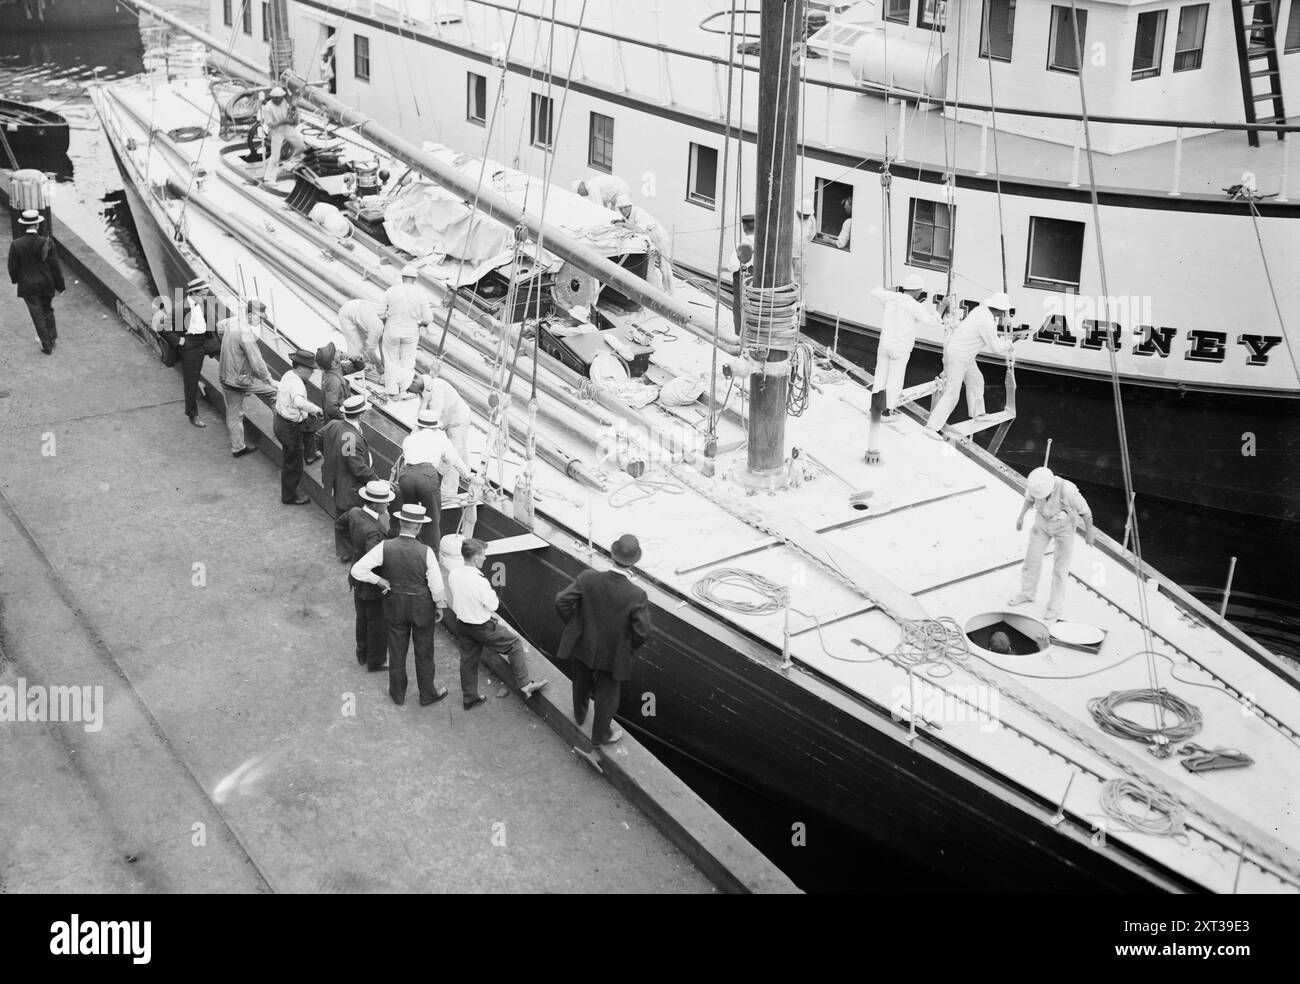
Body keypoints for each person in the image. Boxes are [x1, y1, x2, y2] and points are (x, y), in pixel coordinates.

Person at [554, 534, 653, 746]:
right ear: (634, 563)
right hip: (613, 655)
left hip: (583, 644)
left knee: (580, 682)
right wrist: (627, 648)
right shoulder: (636, 594)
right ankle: (600, 736)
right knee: (607, 696)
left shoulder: (588, 577)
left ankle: (579, 716)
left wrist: (575, 627)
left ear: (612, 554)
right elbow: (643, 631)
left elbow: (562, 601)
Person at [350, 503, 450, 707]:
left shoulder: (385, 546)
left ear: (402, 522)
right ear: (419, 527)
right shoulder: (426, 551)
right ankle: (427, 694)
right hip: (422, 606)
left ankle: (397, 693)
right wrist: (439, 605)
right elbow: (437, 585)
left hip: (395, 603)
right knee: (424, 651)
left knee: (396, 649)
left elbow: (357, 570)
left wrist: (379, 581)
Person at [447, 538, 549, 710]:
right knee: (515, 644)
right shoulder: (480, 581)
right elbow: (493, 605)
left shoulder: (454, 573)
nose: (485, 558)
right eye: (482, 555)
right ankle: (525, 684)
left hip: (463, 624)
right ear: (474, 557)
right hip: (482, 627)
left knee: (468, 662)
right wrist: (492, 593)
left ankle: (469, 697)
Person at [1008, 467, 1095, 623]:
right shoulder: (1036, 485)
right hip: (1042, 522)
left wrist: (1089, 534)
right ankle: (1027, 593)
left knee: (1060, 569)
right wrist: (1021, 516)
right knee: (1031, 560)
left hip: (1065, 528)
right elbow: (1029, 498)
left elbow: (1086, 513)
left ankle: (1055, 607)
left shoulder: (1068, 491)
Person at [924, 291, 1016, 439]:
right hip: (959, 356)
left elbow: (990, 338)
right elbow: (997, 349)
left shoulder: (980, 310)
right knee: (953, 393)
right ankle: (931, 427)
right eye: (1004, 311)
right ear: (999, 310)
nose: (1005, 313)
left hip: (962, 353)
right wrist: (1012, 342)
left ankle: (978, 413)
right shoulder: (987, 322)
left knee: (976, 380)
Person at [337, 480, 395, 672]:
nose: (388, 505)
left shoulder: (354, 513)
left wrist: (355, 550)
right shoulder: (374, 533)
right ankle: (376, 661)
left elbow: (340, 525)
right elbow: (379, 560)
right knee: (377, 623)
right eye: (385, 502)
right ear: (375, 504)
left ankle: (361, 653)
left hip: (357, 577)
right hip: (372, 584)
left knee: (361, 618)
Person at [397, 408, 473, 550]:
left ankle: (408, 549)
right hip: (427, 477)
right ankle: (431, 555)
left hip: (406, 476)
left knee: (410, 516)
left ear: (419, 425)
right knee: (432, 519)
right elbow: (454, 459)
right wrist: (467, 475)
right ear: (435, 427)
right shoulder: (440, 439)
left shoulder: (409, 439)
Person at [869, 274, 942, 419]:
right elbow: (931, 322)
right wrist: (942, 308)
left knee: (880, 377)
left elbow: (874, 292)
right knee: (894, 381)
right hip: (899, 349)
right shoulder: (914, 305)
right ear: (915, 291)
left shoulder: (891, 297)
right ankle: (886, 412)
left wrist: (888, 289)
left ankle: (874, 410)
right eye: (920, 290)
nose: (920, 293)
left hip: (884, 345)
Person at [320, 394, 378, 559]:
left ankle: (344, 551)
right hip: (351, 486)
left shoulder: (333, 425)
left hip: (337, 480)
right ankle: (351, 551)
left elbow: (318, 437)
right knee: (351, 517)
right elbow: (357, 467)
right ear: (361, 415)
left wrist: (329, 457)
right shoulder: (351, 437)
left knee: (341, 515)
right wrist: (376, 481)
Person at [218, 299, 278, 457]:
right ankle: (280, 431)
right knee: (274, 393)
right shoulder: (246, 333)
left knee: (233, 413)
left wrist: (226, 347)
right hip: (240, 380)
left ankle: (237, 447)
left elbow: (219, 327)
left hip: (225, 375)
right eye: (260, 318)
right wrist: (270, 379)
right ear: (250, 315)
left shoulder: (233, 322)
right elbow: (257, 362)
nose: (261, 321)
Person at [407, 368, 472, 499]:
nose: (408, 392)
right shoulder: (423, 389)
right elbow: (423, 416)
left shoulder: (437, 388)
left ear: (414, 381)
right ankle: (469, 478)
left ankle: (449, 494)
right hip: (444, 421)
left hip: (457, 421)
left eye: (408, 389)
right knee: (458, 455)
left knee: (453, 457)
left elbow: (433, 417)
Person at [7, 209, 64, 355]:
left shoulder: (16, 244)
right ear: (37, 225)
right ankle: (52, 338)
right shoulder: (47, 242)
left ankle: (47, 346)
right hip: (46, 283)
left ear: (24, 226)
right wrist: (60, 286)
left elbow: (12, 267)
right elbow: (55, 267)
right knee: (48, 310)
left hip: (28, 286)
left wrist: (16, 280)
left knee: (37, 315)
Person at [170, 278, 221, 428]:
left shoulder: (200, 303)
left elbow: (205, 321)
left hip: (204, 341)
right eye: (203, 295)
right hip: (190, 345)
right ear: (193, 293)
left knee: (229, 350)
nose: (205, 298)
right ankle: (192, 414)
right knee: (191, 381)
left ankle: (238, 381)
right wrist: (179, 341)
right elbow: (162, 326)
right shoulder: (181, 308)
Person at [273, 350, 322, 505]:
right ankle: (289, 496)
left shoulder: (288, 375)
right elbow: (299, 402)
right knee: (293, 463)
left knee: (292, 456)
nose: (312, 373)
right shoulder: (298, 385)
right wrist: (317, 410)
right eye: (311, 370)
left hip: (281, 421)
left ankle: (310, 454)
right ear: (302, 368)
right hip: (290, 428)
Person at [378, 265, 432, 399]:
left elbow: (380, 313)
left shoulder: (391, 291)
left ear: (402, 277)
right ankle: (404, 390)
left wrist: (388, 319)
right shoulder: (421, 294)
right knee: (408, 361)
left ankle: (392, 392)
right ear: (415, 279)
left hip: (392, 330)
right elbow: (428, 318)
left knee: (391, 361)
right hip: (410, 332)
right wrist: (420, 323)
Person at [616, 195, 674, 294]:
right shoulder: (626, 216)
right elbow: (630, 223)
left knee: (664, 267)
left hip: (659, 239)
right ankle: (656, 292)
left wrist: (623, 225)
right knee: (648, 267)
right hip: (650, 242)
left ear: (630, 206)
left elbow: (640, 229)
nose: (623, 210)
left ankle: (669, 291)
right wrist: (621, 221)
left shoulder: (639, 213)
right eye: (621, 208)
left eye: (625, 208)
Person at [260, 86, 307, 185]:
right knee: (275, 156)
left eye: (281, 97)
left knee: (301, 146)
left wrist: (294, 113)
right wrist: (283, 121)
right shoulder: (268, 108)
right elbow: (270, 124)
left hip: (287, 128)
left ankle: (291, 163)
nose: (280, 99)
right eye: (278, 98)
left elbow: (291, 116)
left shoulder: (284, 102)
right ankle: (269, 178)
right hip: (277, 131)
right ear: (273, 98)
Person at [336, 297, 384, 368]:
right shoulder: (377, 326)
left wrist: (383, 360)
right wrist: (379, 367)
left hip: (358, 309)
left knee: (364, 349)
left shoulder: (388, 321)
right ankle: (354, 371)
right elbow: (370, 350)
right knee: (357, 348)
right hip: (347, 314)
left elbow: (381, 341)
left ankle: (364, 365)